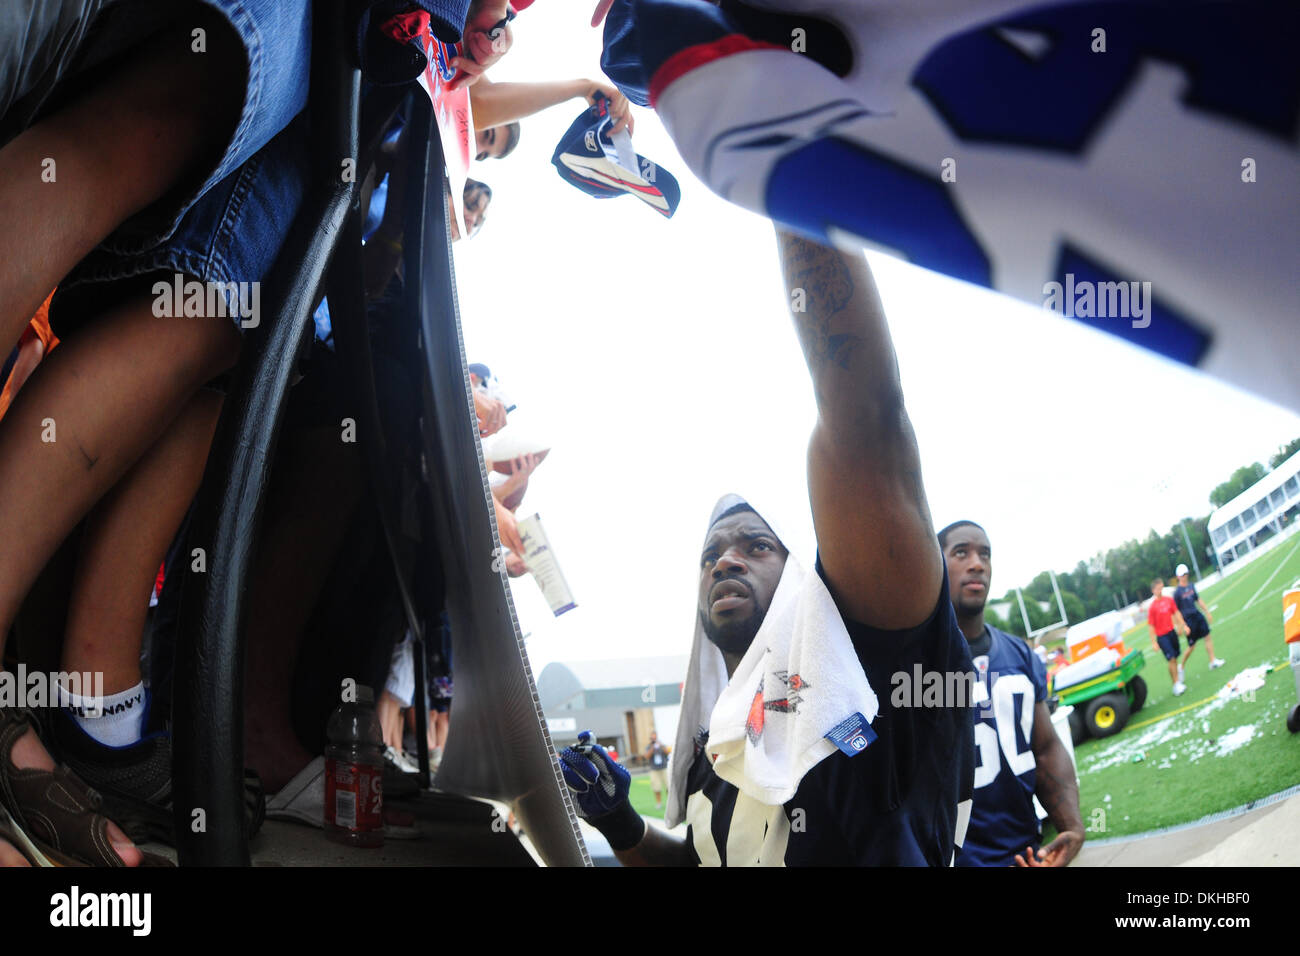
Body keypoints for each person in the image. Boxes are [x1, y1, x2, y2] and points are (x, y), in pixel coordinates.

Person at [559, 230, 975, 866]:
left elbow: (863, 419)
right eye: (711, 556)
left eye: (756, 545)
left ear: (802, 580)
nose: (725, 561)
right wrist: (621, 825)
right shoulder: (717, 744)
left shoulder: (864, 679)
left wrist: (787, 174)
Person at [938, 520, 1085, 867]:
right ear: (935, 563)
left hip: (1028, 854)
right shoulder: (915, 664)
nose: (977, 563)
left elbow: (1046, 749)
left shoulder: (1019, 654)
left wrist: (1072, 826)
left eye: (985, 554)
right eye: (961, 552)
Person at [1173, 563, 1224, 676]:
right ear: (1178, 577)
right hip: (1188, 620)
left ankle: (1212, 660)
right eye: (1182, 575)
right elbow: (1175, 611)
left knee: (1207, 637)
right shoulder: (1177, 593)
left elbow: (1198, 599)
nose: (1184, 576)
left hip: (1197, 615)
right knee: (1192, 646)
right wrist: (1181, 626)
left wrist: (1207, 612)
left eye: (1185, 574)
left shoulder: (1191, 586)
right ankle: (1181, 666)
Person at [1147, 578, 1189, 696]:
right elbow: (1151, 626)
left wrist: (1182, 626)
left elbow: (1176, 613)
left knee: (1175, 657)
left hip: (1171, 633)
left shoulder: (1168, 600)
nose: (1159, 591)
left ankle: (1177, 680)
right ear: (1153, 591)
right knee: (1171, 659)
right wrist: (1154, 642)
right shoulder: (1152, 607)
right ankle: (1176, 684)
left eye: (1161, 588)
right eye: (1157, 589)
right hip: (1162, 636)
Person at [642, 731, 670, 809]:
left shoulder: (662, 745)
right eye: (652, 738)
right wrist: (652, 747)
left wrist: (660, 745)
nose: (654, 740)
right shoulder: (649, 747)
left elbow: (668, 752)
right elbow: (646, 756)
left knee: (668, 786)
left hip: (664, 768)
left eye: (655, 738)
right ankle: (659, 803)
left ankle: (669, 802)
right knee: (656, 787)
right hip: (654, 769)